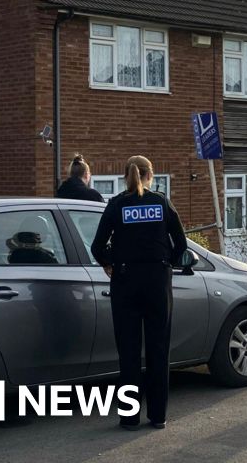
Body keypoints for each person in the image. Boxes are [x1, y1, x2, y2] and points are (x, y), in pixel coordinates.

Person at [90, 156, 187, 430]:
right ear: (150, 175)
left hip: (125, 281)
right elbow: (180, 244)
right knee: (159, 350)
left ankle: (129, 418)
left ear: (126, 176)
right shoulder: (161, 202)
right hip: (157, 282)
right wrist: (169, 261)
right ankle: (158, 417)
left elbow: (97, 246)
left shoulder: (117, 204)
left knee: (129, 354)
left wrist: (111, 261)